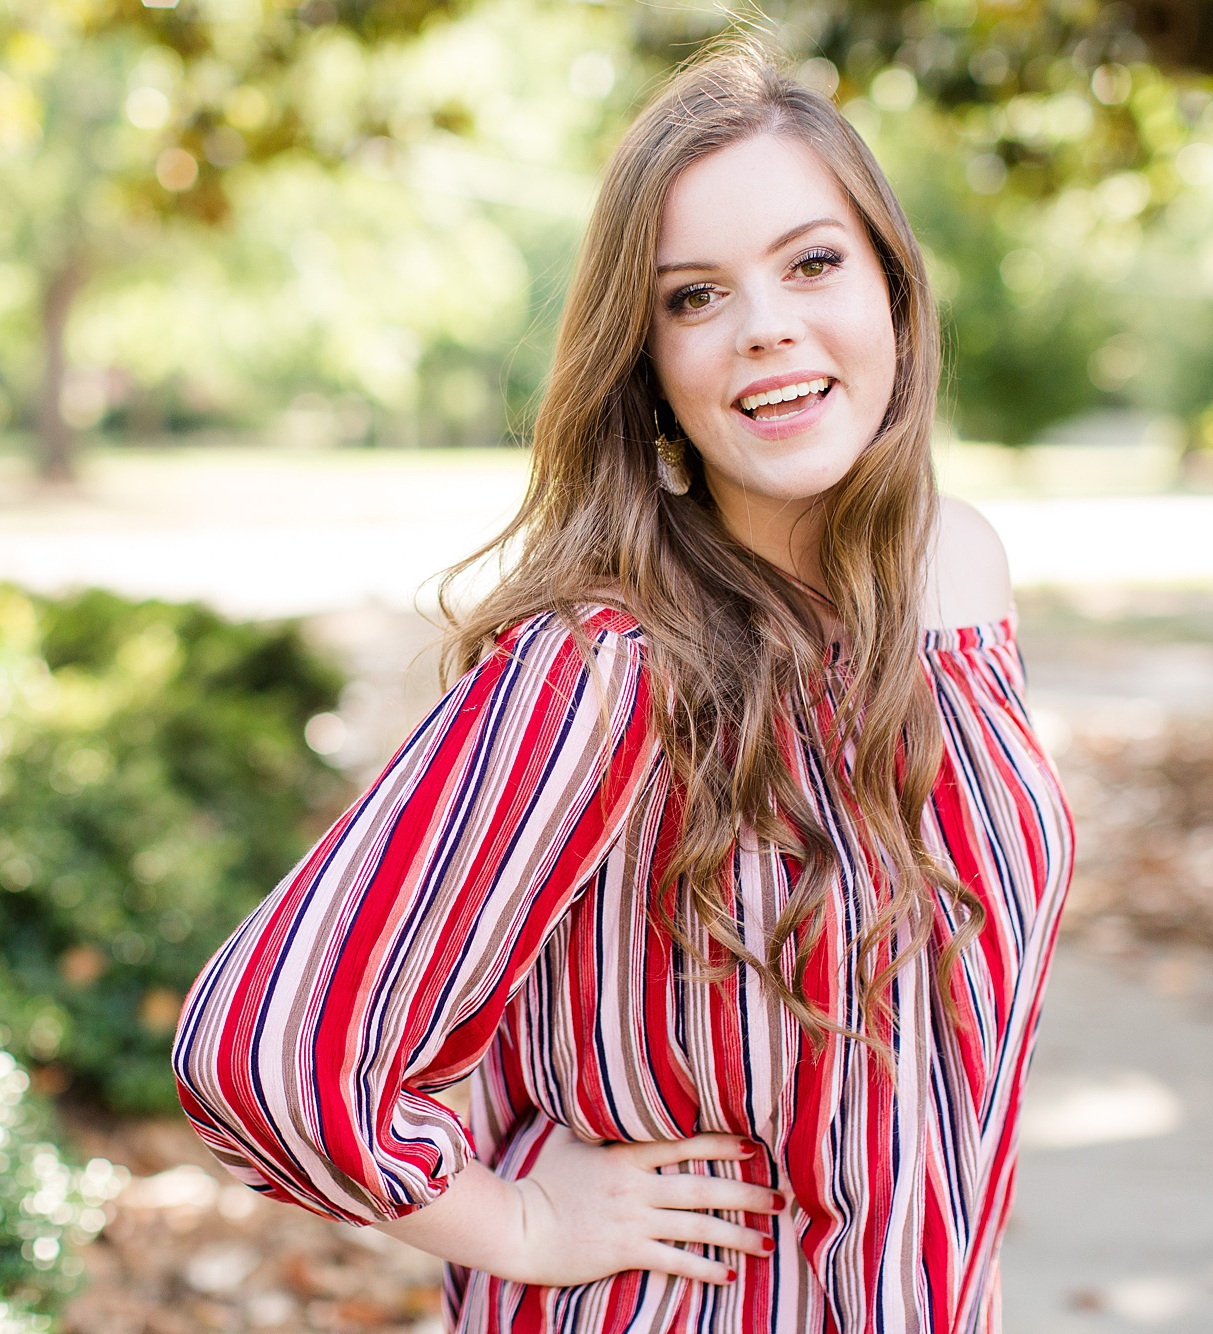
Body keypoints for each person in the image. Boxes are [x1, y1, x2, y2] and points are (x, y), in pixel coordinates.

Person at [174, 44, 1074, 1334]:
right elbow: (269, 1052)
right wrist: (521, 1223)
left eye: (813, 262)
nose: (768, 323)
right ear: (647, 360)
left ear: (893, 289)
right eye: (695, 296)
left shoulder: (959, 568)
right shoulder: (607, 657)